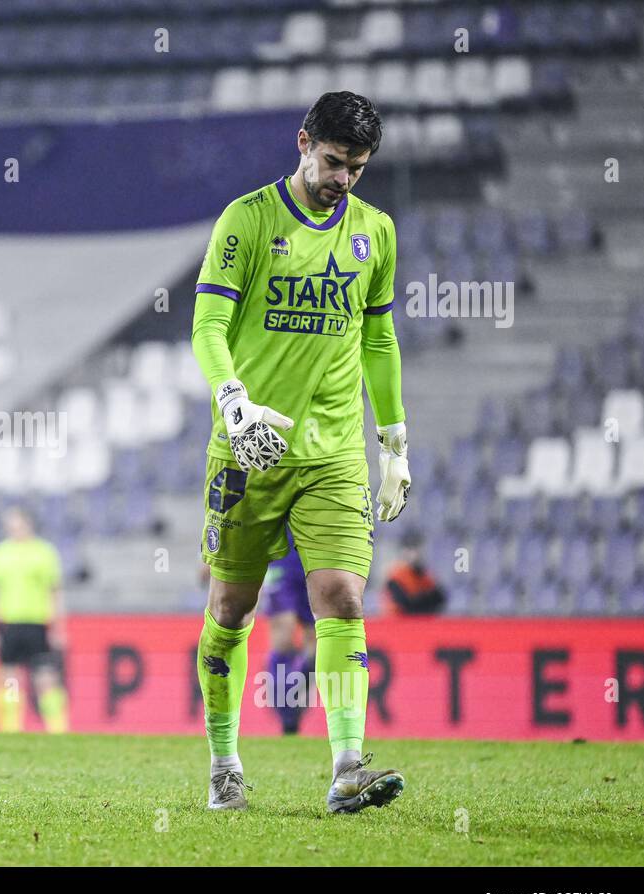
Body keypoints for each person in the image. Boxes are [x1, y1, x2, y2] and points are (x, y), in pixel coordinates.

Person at [191, 92, 411, 813]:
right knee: (230, 607)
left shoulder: (375, 233)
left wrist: (393, 441)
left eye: (357, 168)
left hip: (333, 452)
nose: (343, 178)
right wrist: (232, 398)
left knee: (342, 595)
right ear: (303, 142)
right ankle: (225, 762)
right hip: (248, 447)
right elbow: (207, 324)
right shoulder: (247, 221)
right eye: (334, 161)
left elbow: (378, 339)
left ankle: (348, 766)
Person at [0, 507, 69, 733]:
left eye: (17, 522)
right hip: (8, 623)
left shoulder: (44, 552)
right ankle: (12, 728)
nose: (13, 528)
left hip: (37, 623)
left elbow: (55, 592)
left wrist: (58, 627)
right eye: (10, 523)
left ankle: (58, 728)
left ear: (28, 523)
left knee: (45, 678)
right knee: (9, 677)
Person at [260, 530, 317, 735]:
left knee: (317, 642)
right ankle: (284, 712)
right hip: (281, 557)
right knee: (283, 634)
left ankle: (293, 705)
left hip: (316, 555)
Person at [384, 533, 446, 615]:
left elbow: (440, 598)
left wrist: (420, 599)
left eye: (417, 549)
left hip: (421, 620)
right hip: (398, 622)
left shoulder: (423, 574)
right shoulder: (395, 576)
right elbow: (406, 605)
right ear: (403, 552)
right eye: (411, 549)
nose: (415, 554)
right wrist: (425, 598)